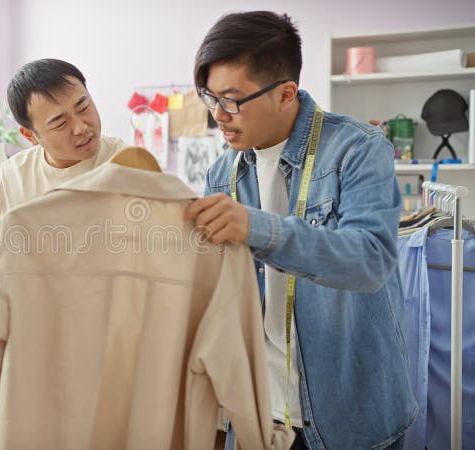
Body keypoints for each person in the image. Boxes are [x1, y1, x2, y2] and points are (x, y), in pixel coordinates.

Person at [183, 11, 417, 450]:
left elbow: (370, 260)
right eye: (209, 98)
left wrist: (258, 228)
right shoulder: (222, 173)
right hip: (256, 409)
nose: (218, 116)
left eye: (231, 100)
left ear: (286, 93)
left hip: (348, 413)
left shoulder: (357, 150)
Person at [0, 58, 125, 302]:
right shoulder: (13, 176)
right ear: (30, 135)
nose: (80, 127)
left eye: (83, 107)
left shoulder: (127, 165)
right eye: (60, 122)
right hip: (35, 324)